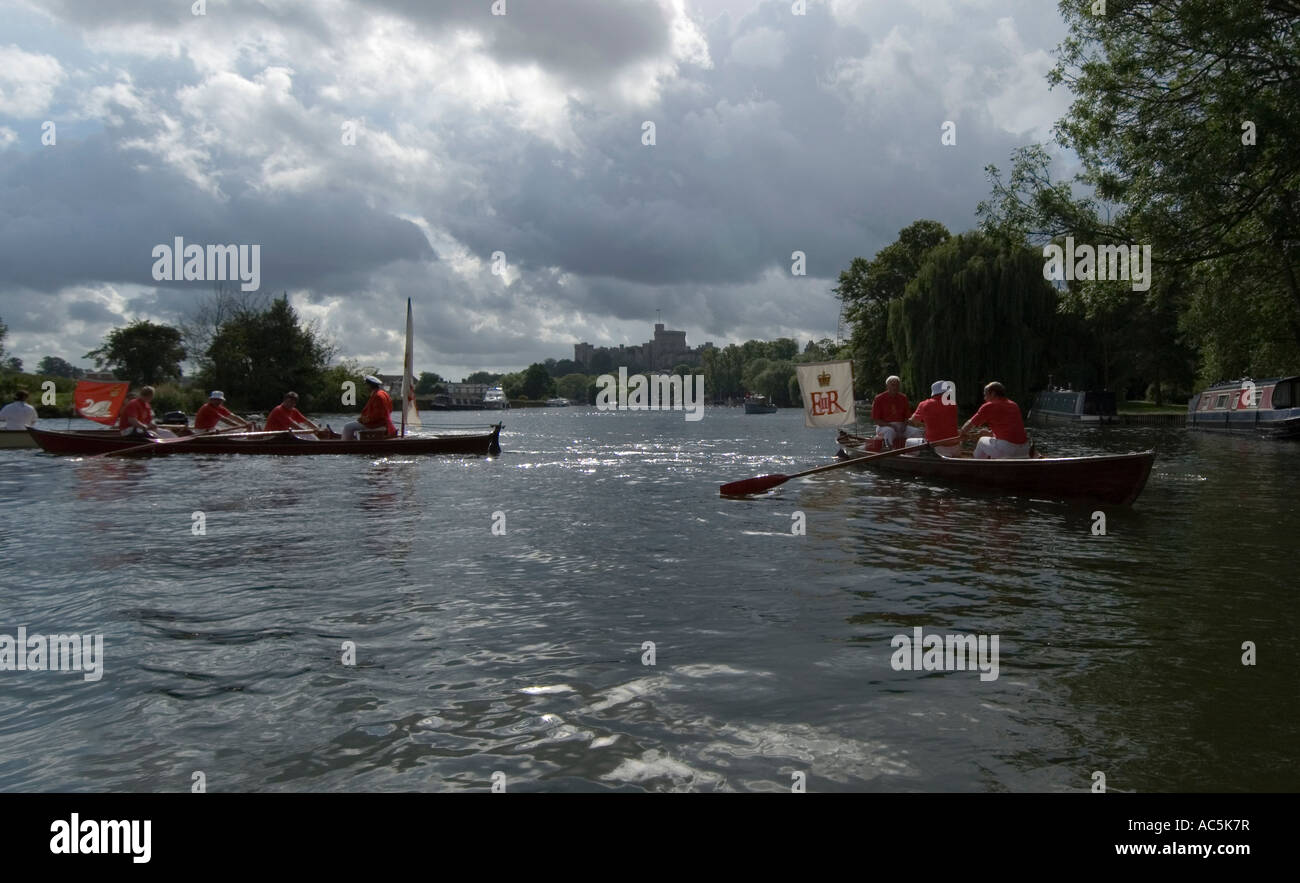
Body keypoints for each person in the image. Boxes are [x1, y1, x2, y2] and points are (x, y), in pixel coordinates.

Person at [962, 381, 1031, 458]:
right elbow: (1009, 430)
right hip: (1024, 450)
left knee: (982, 441)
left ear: (993, 394)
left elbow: (970, 424)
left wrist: (962, 433)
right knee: (992, 441)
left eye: (985, 395)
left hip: (1008, 449)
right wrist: (989, 433)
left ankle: (975, 465)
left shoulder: (989, 406)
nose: (984, 398)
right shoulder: (1014, 405)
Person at [905, 380, 961, 456]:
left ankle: (911, 463)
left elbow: (913, 421)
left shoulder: (924, 404)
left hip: (937, 448)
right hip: (955, 447)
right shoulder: (953, 404)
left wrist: (911, 421)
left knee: (909, 442)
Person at [871, 375, 923, 449]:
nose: (895, 387)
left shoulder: (903, 398)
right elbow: (876, 420)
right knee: (890, 431)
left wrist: (904, 425)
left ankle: (915, 452)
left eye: (897, 385)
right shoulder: (879, 398)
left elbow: (907, 417)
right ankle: (889, 450)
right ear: (887, 386)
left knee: (916, 431)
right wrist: (890, 425)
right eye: (892, 385)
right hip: (884, 426)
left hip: (901, 426)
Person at [342, 375, 396, 441]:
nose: (365, 387)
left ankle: (345, 445)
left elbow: (377, 415)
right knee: (354, 425)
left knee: (348, 427)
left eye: (366, 385)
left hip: (378, 424)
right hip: (382, 423)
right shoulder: (383, 393)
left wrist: (364, 420)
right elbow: (390, 409)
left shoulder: (378, 396)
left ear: (370, 385)